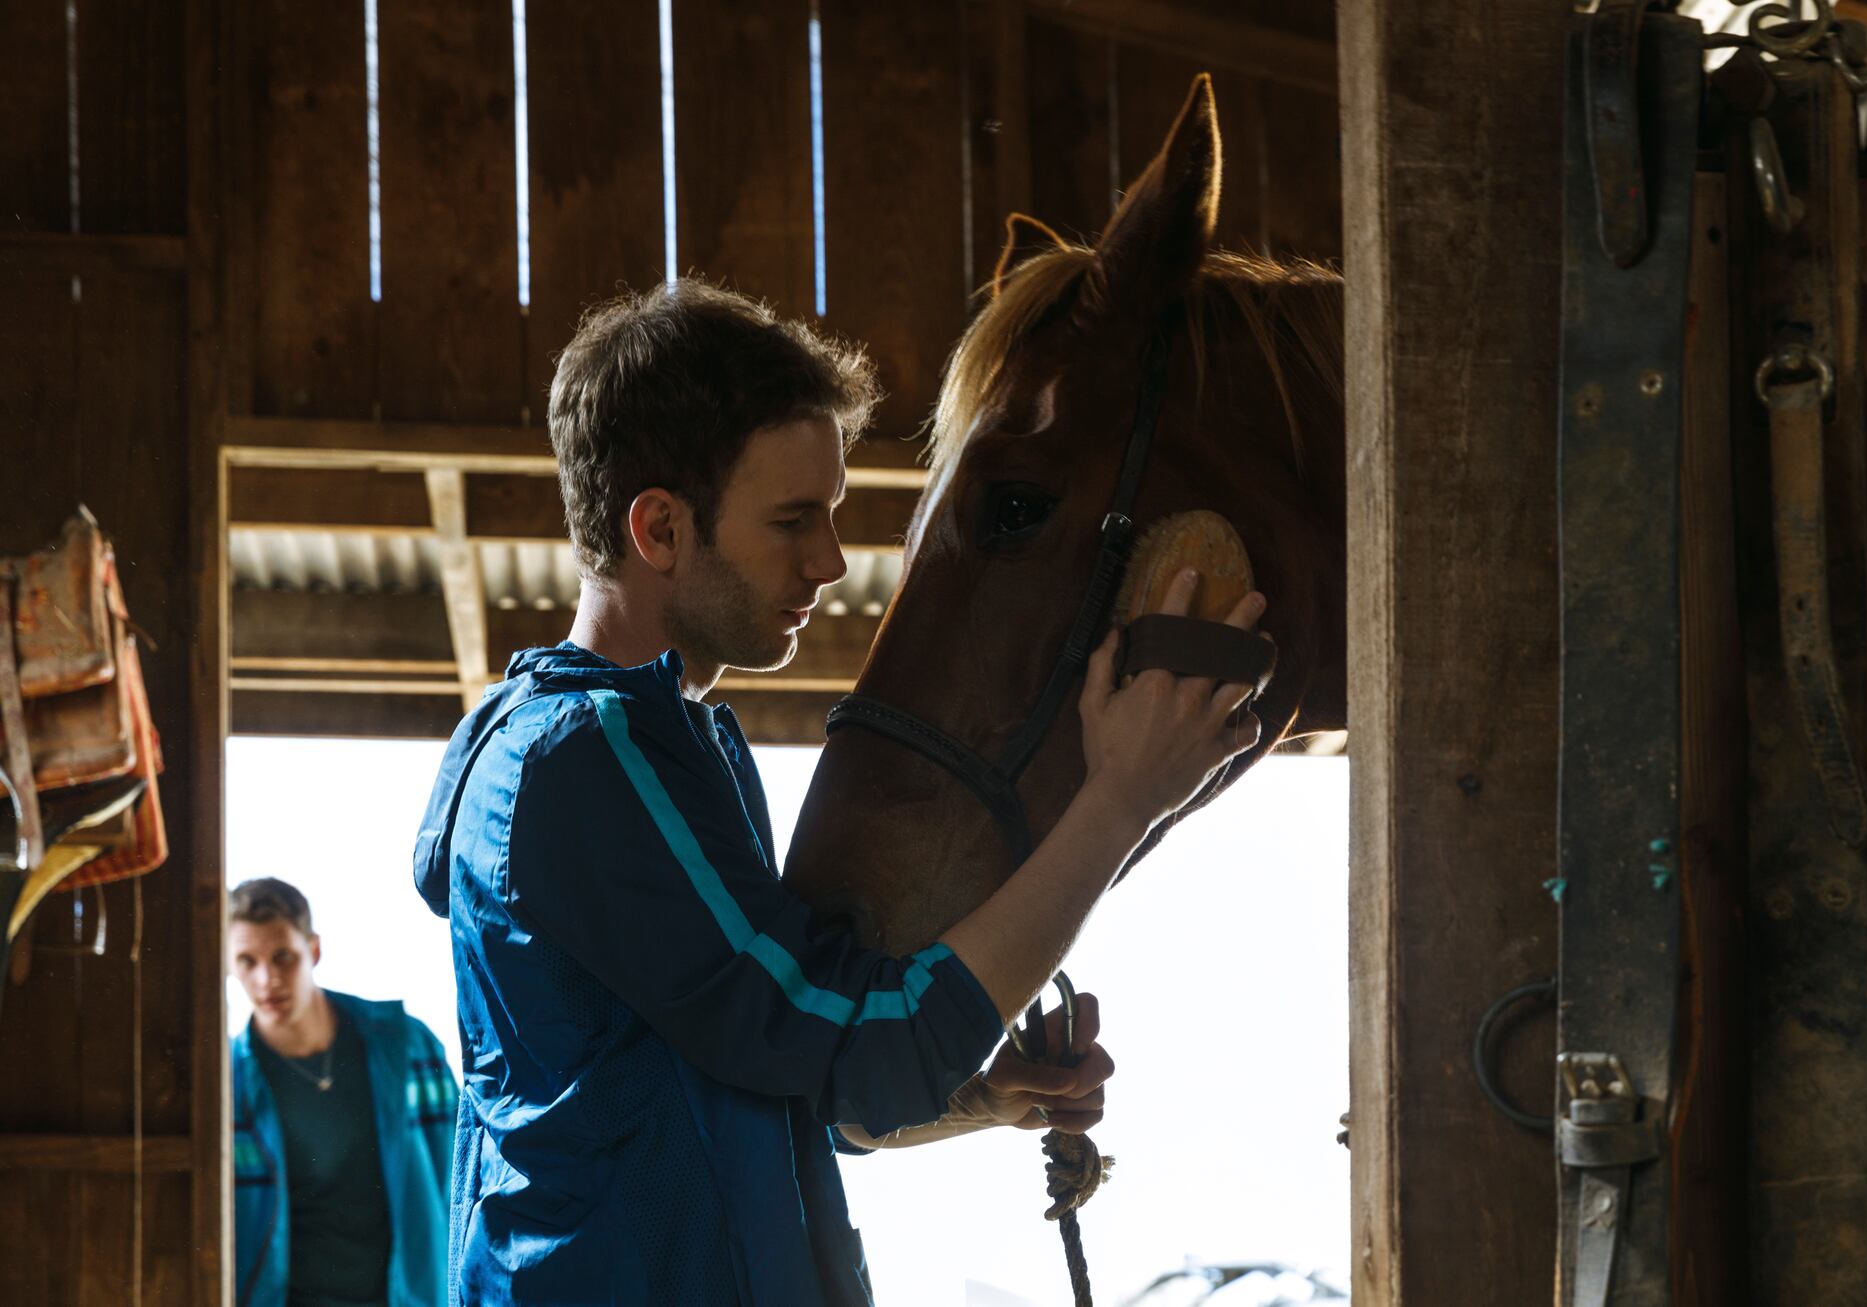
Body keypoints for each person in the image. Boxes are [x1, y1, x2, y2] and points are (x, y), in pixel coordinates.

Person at [411, 281, 1265, 1304]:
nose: (827, 560)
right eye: (791, 519)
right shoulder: (590, 755)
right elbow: (863, 1048)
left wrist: (983, 1095)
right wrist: (1121, 799)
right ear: (659, 527)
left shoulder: (664, 741)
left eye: (833, 514)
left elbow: (769, 1070)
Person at [228, 877, 457, 1307]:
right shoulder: (230, 1086)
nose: (267, 979)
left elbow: (462, 1177)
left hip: (409, 1296)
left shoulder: (406, 1048)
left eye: (283, 958)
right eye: (247, 961)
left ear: (313, 950)